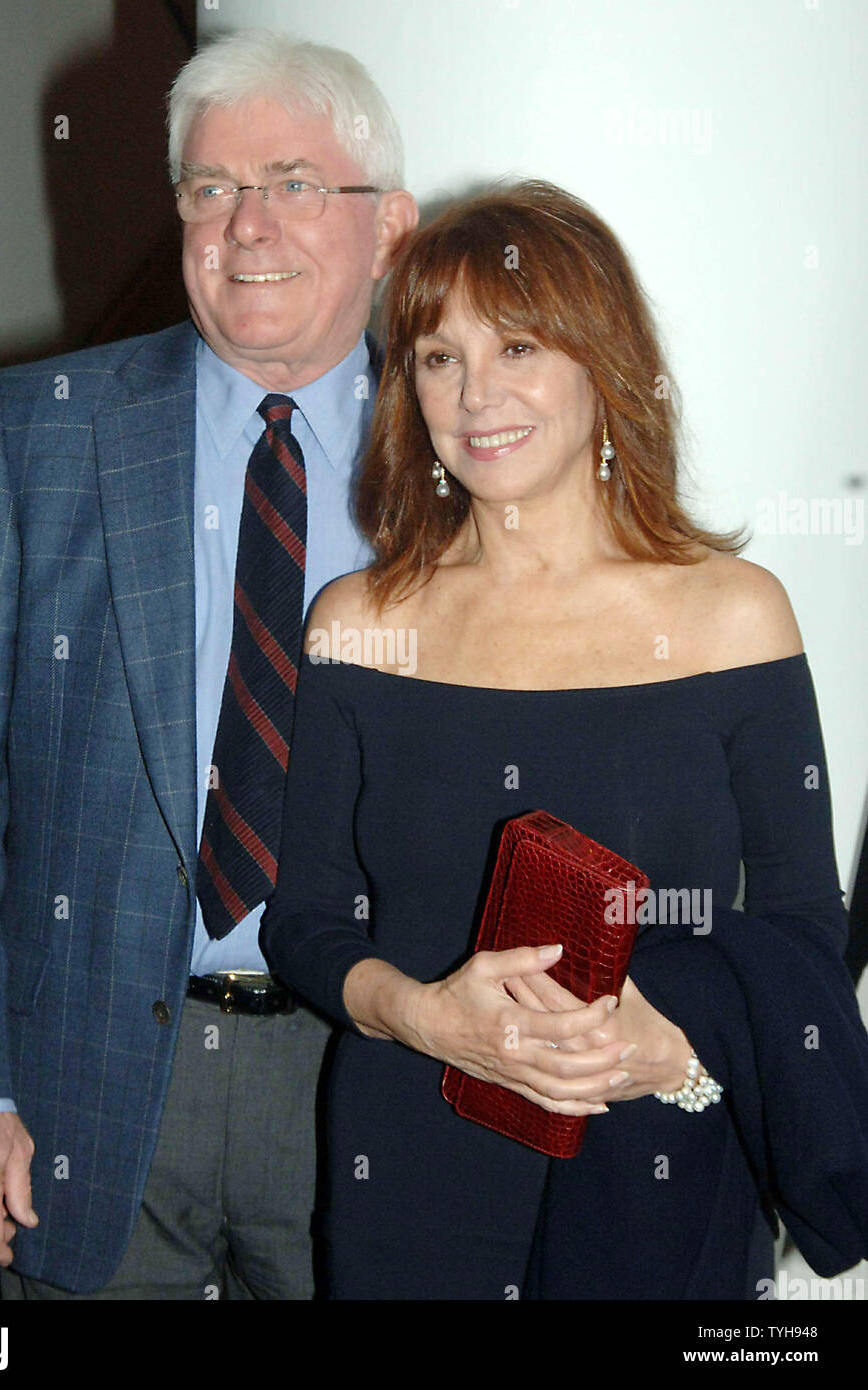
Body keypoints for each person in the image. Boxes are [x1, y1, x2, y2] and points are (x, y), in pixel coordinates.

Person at [0, 29, 417, 1299]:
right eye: (210, 189)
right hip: (92, 1081)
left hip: (376, 1074)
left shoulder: (461, 447)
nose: (246, 226)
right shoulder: (41, 430)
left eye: (293, 182)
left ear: (388, 224)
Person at [260, 181, 868, 1299]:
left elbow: (802, 924)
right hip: (411, 1164)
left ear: (603, 364)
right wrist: (428, 1015)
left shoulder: (734, 613)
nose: (476, 394)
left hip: (658, 1158)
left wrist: (678, 1050)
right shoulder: (360, 624)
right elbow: (305, 921)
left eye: (519, 346)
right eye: (438, 358)